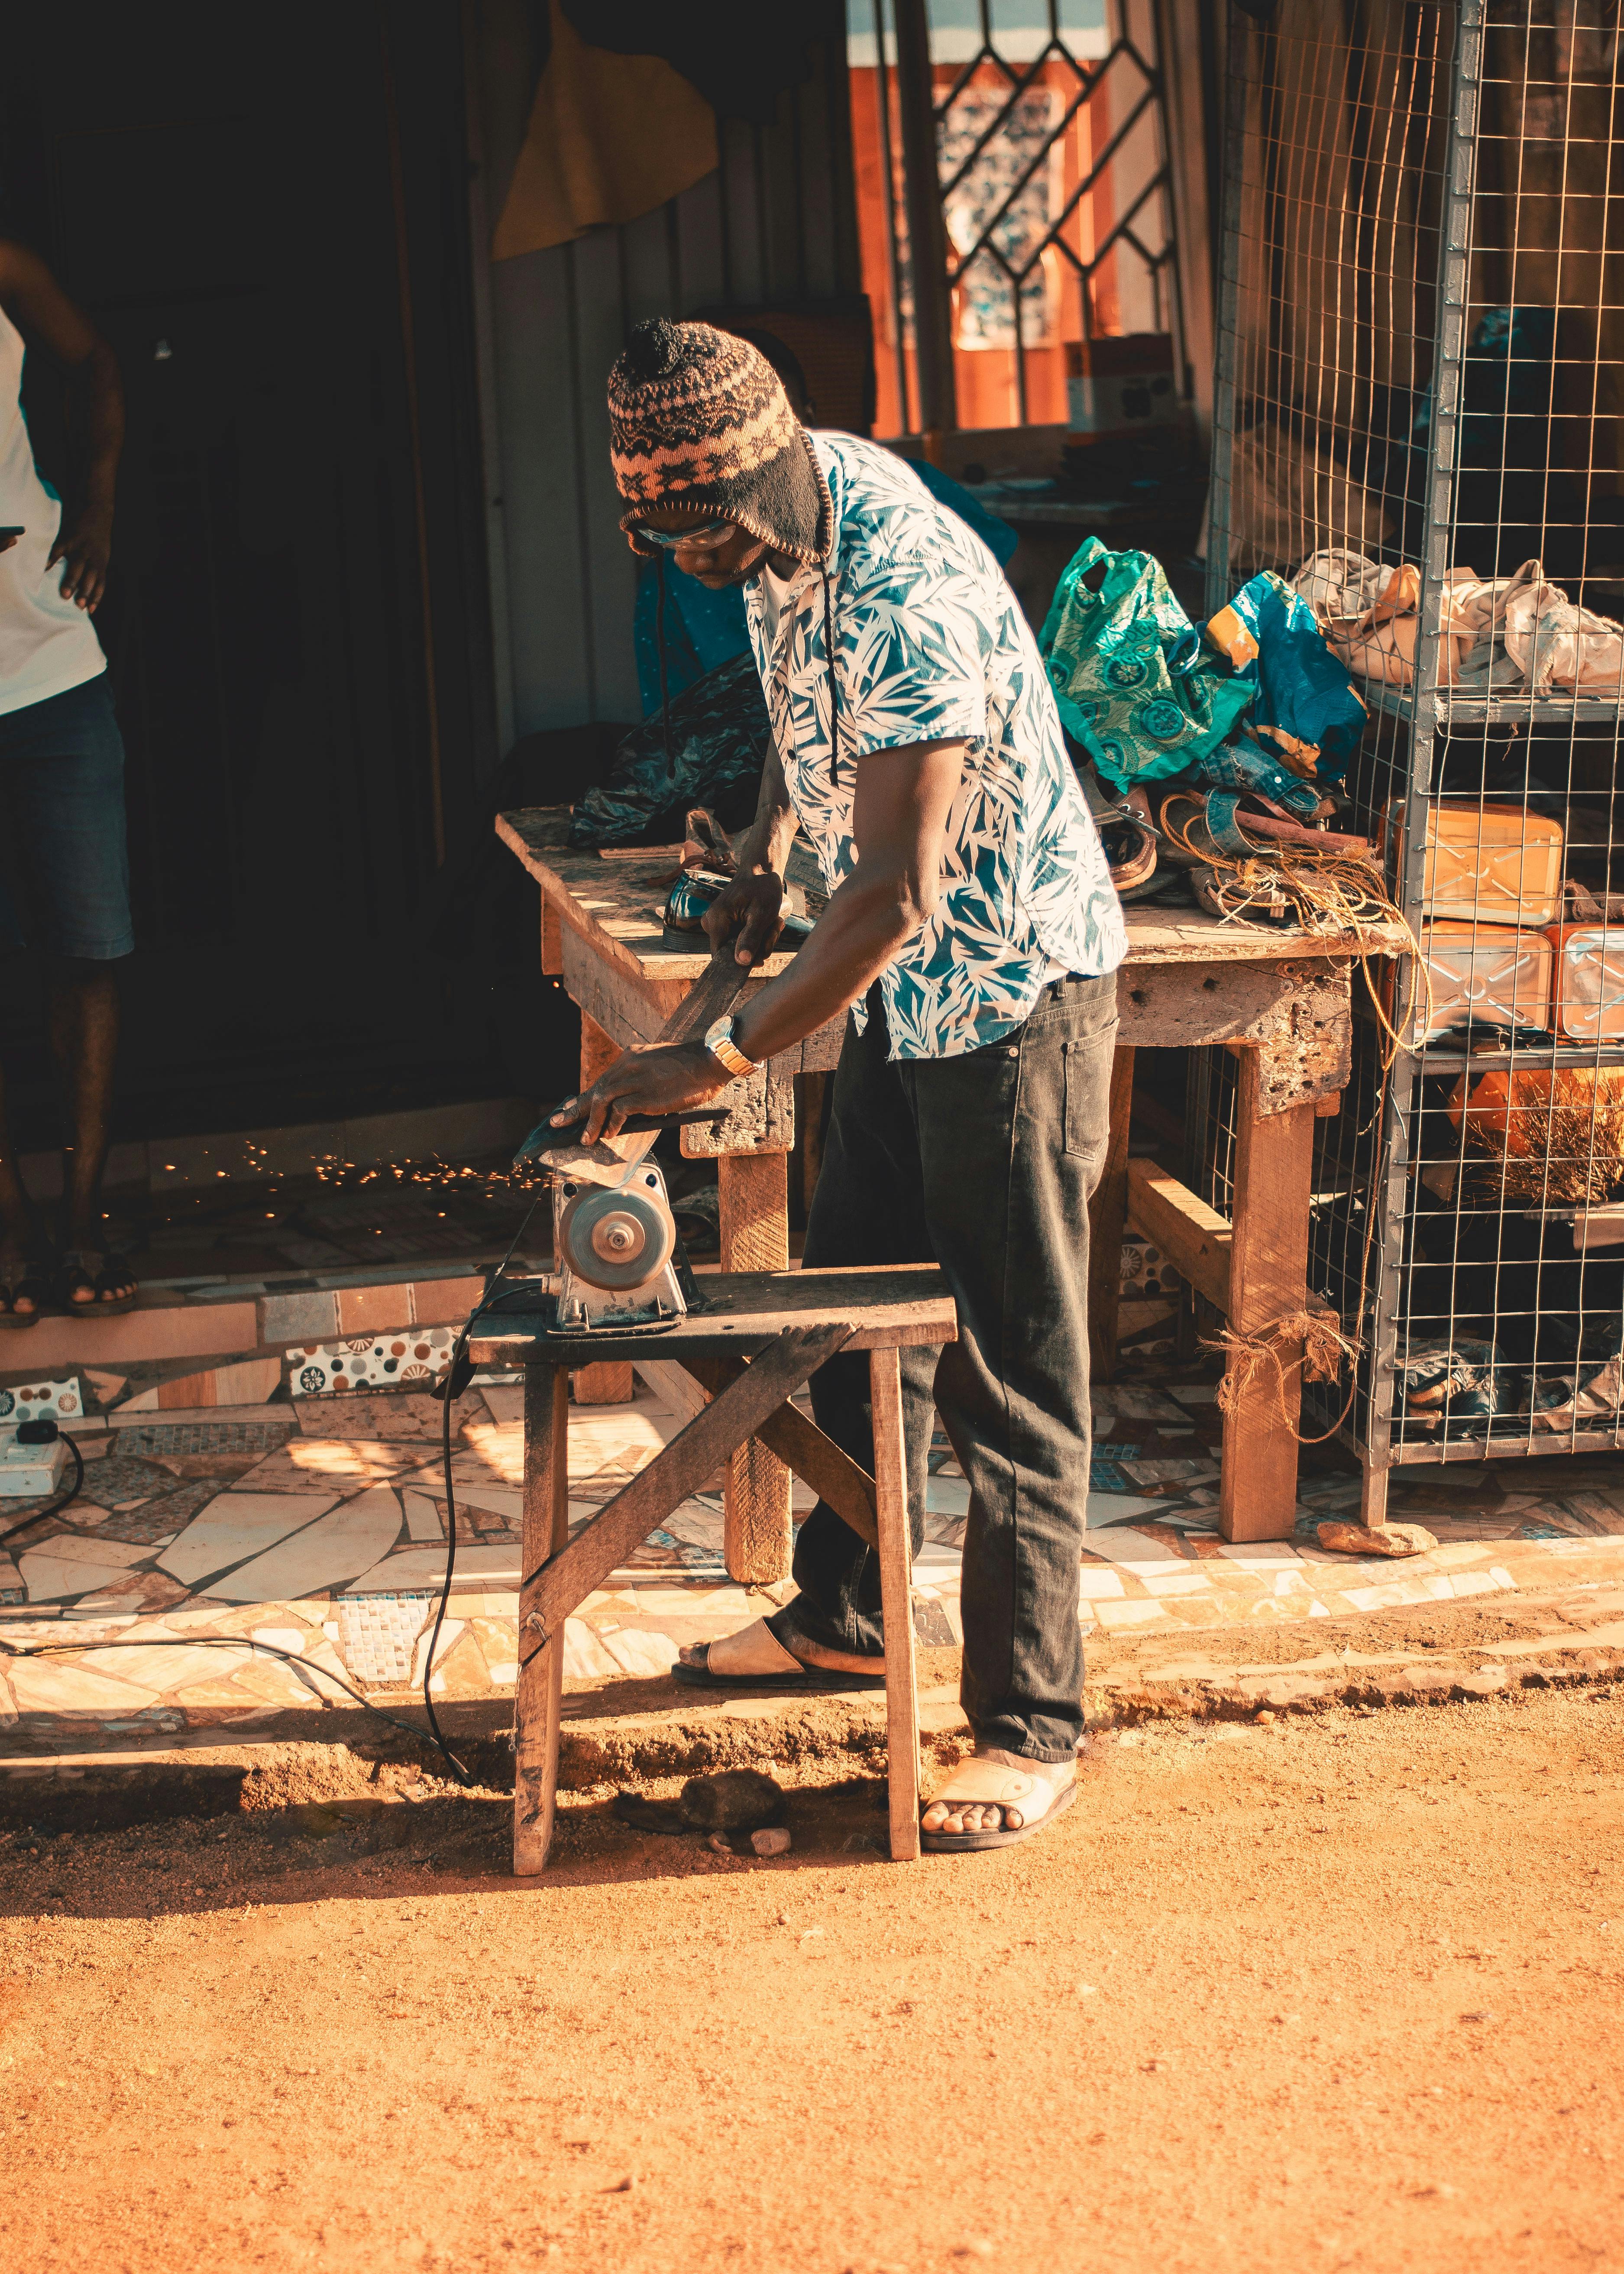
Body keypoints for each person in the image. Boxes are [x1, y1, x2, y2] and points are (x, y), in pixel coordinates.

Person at [552, 318, 1128, 1852]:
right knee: (867, 1311)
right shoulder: (784, 533)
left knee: (1014, 1366)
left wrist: (713, 1053)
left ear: (764, 476)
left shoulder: (912, 591)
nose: (690, 564)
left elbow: (896, 899)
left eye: (704, 534)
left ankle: (1028, 1730)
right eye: (659, 537)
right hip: (907, 1004)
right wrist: (760, 861)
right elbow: (803, 739)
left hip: (1008, 991)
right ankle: (851, 1617)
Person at [629, 321, 1020, 718]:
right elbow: (678, 724)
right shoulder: (680, 582)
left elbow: (1012, 583)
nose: (688, 560)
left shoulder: (892, 555)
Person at [0, 238, 133, 1324]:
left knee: (86, 954)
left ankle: (83, 1222)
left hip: (52, 670)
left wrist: (93, 507)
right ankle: (12, 1237)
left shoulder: (4, 266)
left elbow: (96, 364)